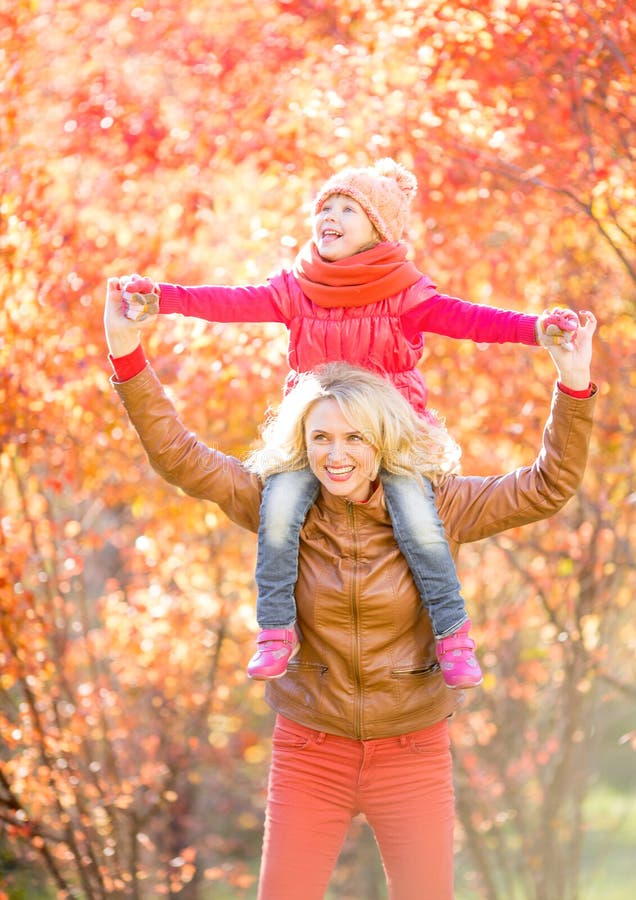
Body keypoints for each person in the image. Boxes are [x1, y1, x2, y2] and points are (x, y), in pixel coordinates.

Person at [104, 279, 596, 900]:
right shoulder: (279, 506)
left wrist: (573, 384)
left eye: (354, 438)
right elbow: (180, 457)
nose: (336, 457)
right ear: (302, 443)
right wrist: (127, 353)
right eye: (322, 439)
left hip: (412, 750)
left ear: (384, 438)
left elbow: (546, 487)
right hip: (311, 751)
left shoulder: (437, 505)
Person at [116, 158, 578, 687]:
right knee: (279, 509)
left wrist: (536, 330)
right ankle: (274, 629)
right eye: (325, 208)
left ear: (378, 228)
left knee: (419, 519)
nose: (328, 217)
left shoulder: (404, 291)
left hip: (389, 441)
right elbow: (231, 302)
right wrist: (166, 298)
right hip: (314, 439)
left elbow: (471, 320)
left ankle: (453, 634)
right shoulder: (297, 287)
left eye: (346, 208)